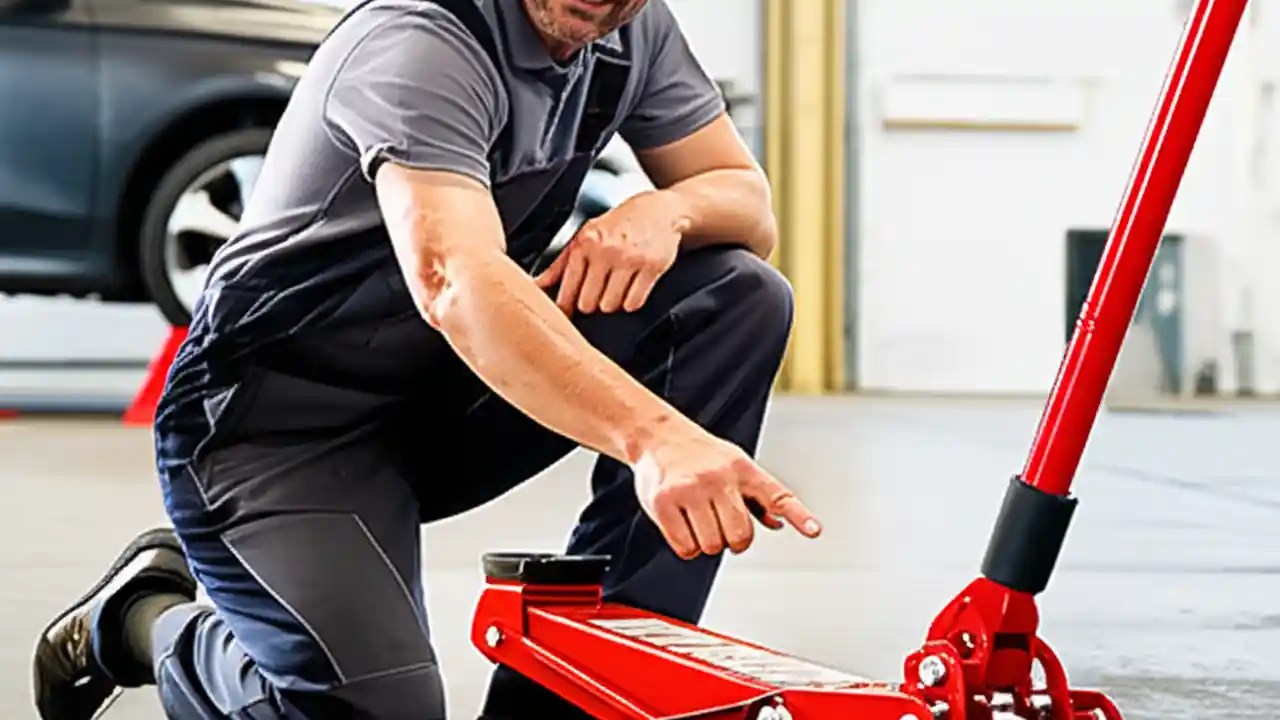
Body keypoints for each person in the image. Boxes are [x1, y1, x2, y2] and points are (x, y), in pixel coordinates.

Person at [33, 0, 823, 717]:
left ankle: (584, 691)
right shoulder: (421, 38)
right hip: (272, 430)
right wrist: (655, 438)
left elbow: (744, 202)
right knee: (376, 712)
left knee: (735, 296)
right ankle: (145, 622)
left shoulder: (627, 31)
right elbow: (455, 279)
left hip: (442, 395)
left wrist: (669, 209)